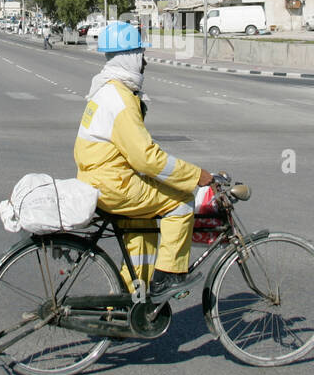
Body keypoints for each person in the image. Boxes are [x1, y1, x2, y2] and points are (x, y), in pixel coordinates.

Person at [74, 22, 213, 301]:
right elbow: (147, 159)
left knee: (144, 229)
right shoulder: (121, 100)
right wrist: (196, 175)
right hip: (115, 185)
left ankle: (129, 302)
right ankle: (169, 276)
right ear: (130, 57)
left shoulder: (106, 90)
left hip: (102, 179)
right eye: (141, 54)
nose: (145, 62)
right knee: (181, 202)